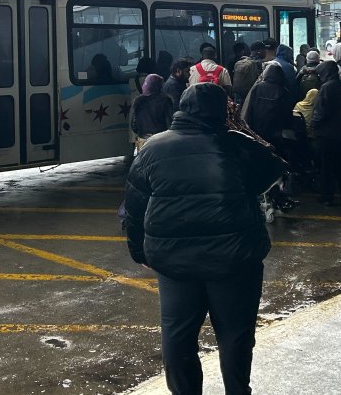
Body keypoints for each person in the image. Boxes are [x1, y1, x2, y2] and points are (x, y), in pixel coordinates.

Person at [123, 83, 287, 395]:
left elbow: (134, 209)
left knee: (178, 334)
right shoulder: (238, 145)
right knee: (236, 336)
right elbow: (273, 167)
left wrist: (139, 253)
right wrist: (240, 129)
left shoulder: (152, 150)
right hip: (236, 260)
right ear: (223, 111)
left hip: (173, 263)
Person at [311, 60, 341, 207]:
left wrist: (314, 125)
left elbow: (320, 112)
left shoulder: (326, 88)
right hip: (339, 132)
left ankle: (327, 197)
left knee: (326, 167)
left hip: (325, 134)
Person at [241, 62, 294, 155]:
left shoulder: (257, 87)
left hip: (257, 129)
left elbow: (249, 108)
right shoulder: (283, 90)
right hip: (276, 132)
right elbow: (287, 113)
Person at [131, 74, 175, 149]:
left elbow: (134, 126)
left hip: (143, 140)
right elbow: (169, 123)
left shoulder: (138, 101)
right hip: (161, 140)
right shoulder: (165, 100)